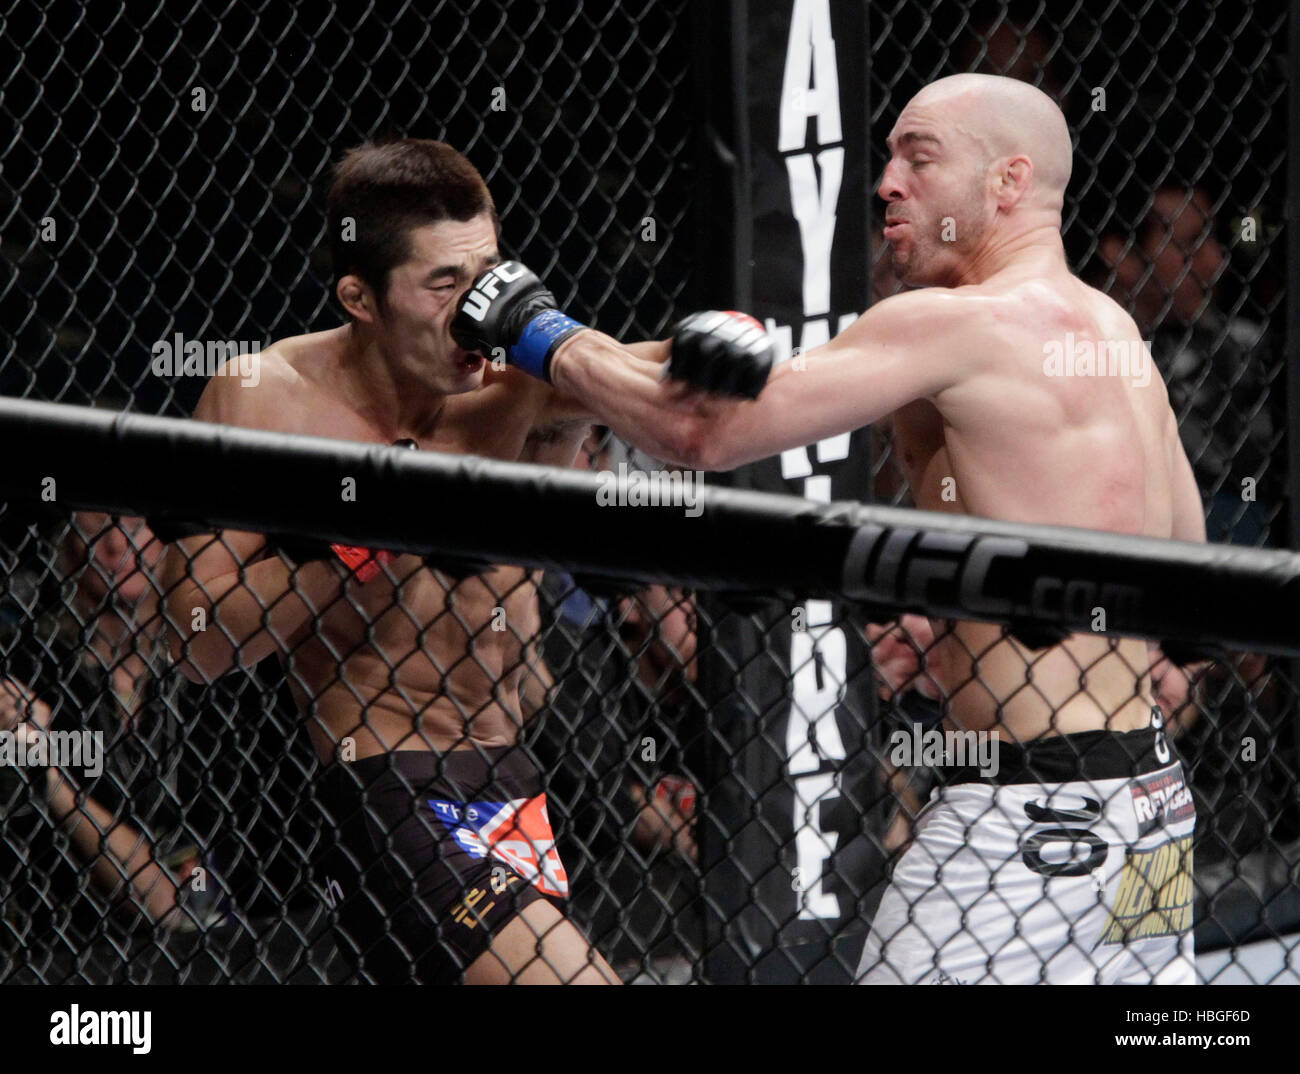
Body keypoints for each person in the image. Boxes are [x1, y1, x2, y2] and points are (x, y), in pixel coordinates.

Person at [531, 73, 1204, 983]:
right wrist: (982, 628)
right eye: (886, 158)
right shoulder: (1112, 331)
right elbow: (1190, 586)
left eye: (918, 158)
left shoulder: (948, 323)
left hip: (1028, 822)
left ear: (1008, 183)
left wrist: (541, 336)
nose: (886, 181)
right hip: (1152, 801)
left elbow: (701, 433)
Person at [161, 138, 770, 985]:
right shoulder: (266, 397)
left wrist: (724, 338)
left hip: (516, 780)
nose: (472, 310)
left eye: (486, 275)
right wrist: (360, 530)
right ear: (359, 297)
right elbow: (196, 640)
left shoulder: (518, 374)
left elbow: (662, 380)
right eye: (442, 285)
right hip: (386, 783)